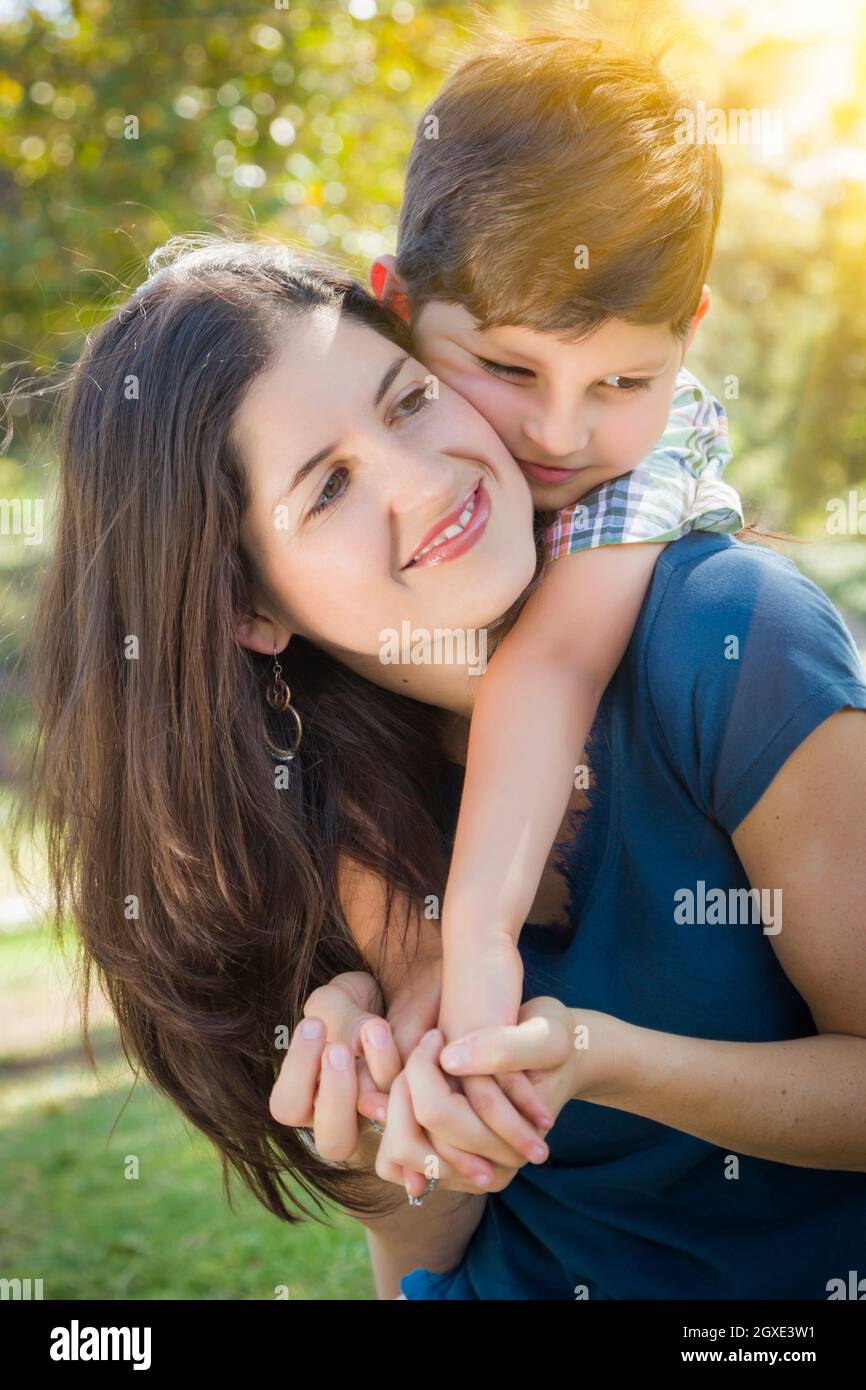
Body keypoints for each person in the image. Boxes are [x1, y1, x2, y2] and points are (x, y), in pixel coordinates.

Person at [21, 238, 866, 1306]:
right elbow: (424, 1267)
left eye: (410, 400)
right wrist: (392, 1127)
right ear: (247, 607)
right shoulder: (312, 812)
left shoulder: (727, 637)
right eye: (330, 487)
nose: (424, 480)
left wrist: (602, 1059)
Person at [366, 26, 747, 1129]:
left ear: (689, 337)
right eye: (505, 366)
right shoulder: (347, 420)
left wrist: (477, 937)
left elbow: (556, 665)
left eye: (624, 380)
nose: (559, 432)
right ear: (395, 308)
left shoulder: (658, 455)